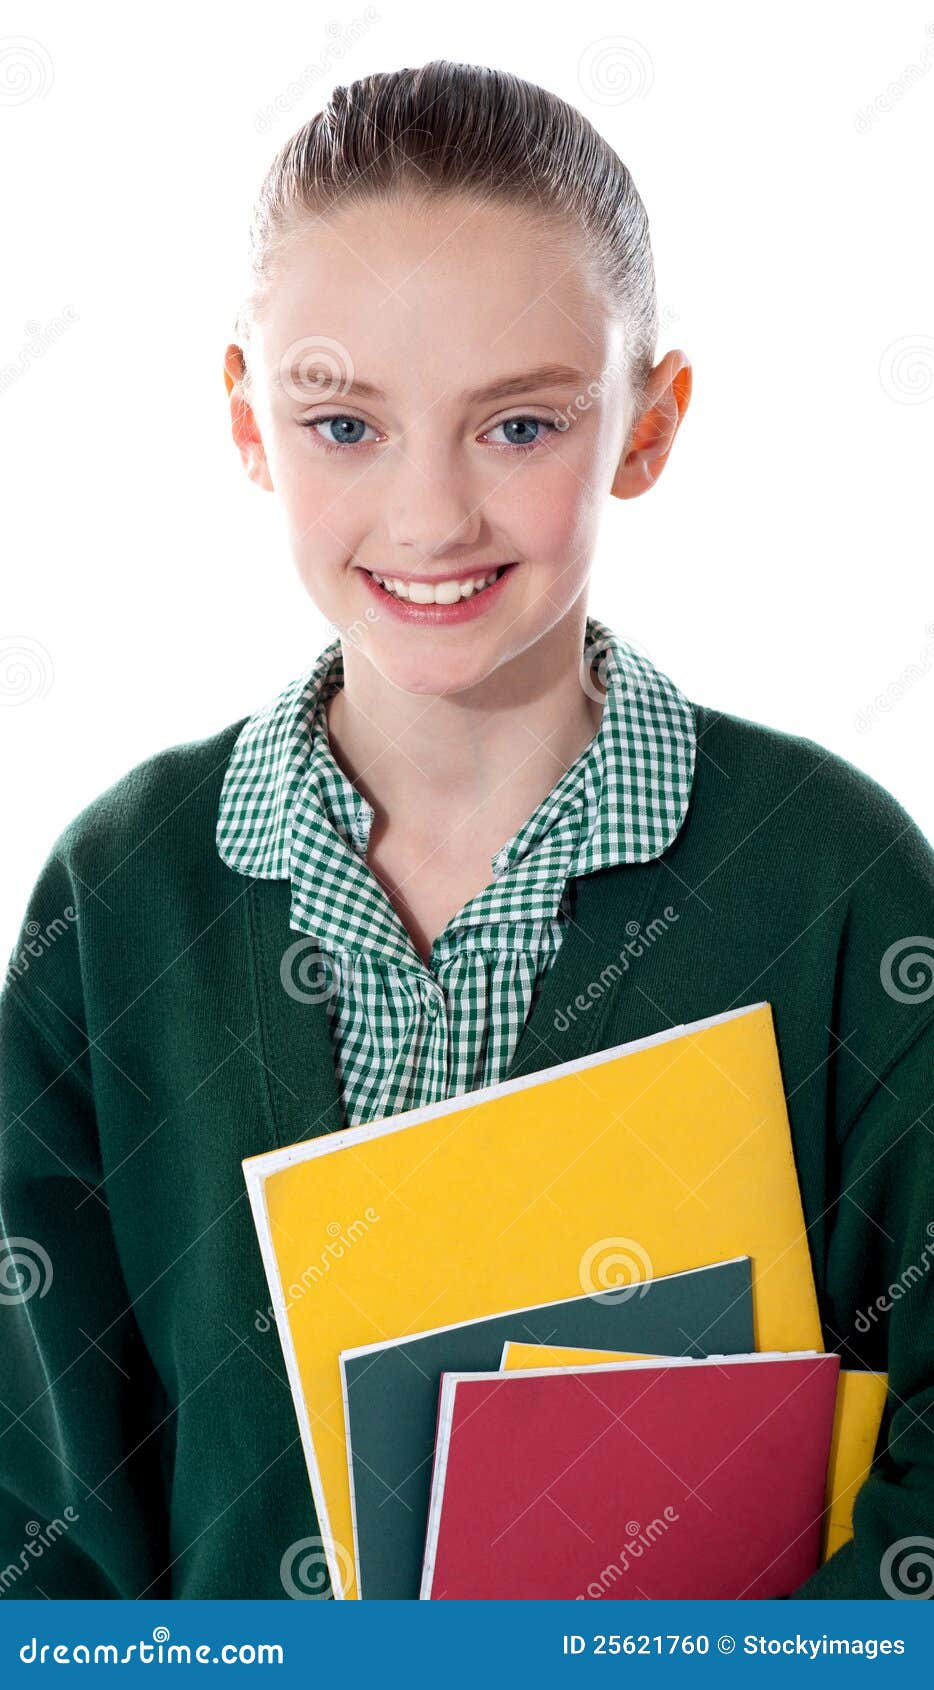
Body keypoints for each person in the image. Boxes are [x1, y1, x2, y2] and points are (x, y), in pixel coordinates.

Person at [1, 59, 932, 1602]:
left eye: (517, 426)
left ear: (646, 422)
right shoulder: (120, 894)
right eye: (345, 423)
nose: (430, 517)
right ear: (248, 421)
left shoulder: (832, 877)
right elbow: (38, 1504)